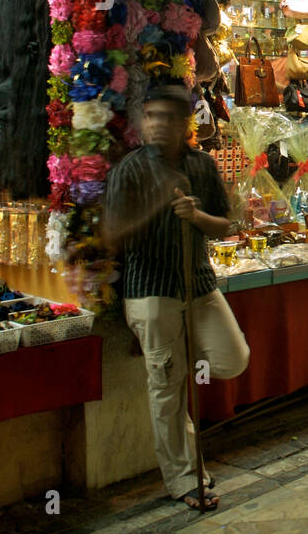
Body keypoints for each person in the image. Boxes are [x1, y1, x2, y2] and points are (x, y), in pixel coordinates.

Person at [103, 86, 250, 510]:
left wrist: (197, 215)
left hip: (199, 285)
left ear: (185, 124)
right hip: (151, 291)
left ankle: (183, 371)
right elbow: (111, 235)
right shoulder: (128, 171)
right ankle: (185, 479)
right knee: (166, 388)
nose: (157, 125)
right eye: (150, 116)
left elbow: (224, 225)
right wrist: (152, 210)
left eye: (167, 117)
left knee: (232, 357)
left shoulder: (202, 166)